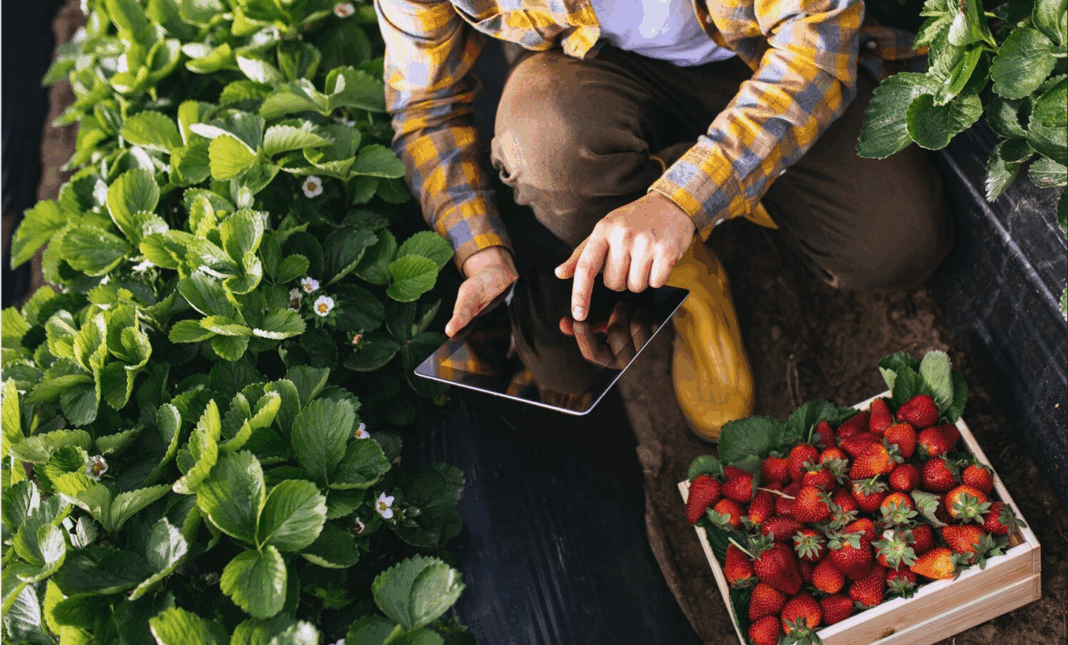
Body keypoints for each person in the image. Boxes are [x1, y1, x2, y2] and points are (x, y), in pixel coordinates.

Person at [373, 0, 951, 442]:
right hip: (588, 68)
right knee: (544, 152)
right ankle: (692, 284)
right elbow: (428, 108)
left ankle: (702, 189)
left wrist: (683, 200)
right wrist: (483, 257)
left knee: (893, 243)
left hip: (760, 51)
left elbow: (815, 48)